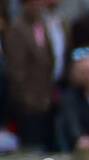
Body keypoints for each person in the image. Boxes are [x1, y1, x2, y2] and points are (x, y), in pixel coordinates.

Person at [5, 0, 56, 148]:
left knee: (49, 155)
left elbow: (48, 61)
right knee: (33, 151)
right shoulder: (17, 30)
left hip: (47, 103)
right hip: (29, 107)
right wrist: (28, 101)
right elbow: (16, 72)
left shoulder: (41, 26)